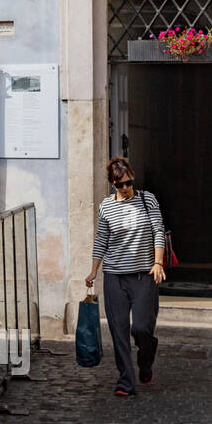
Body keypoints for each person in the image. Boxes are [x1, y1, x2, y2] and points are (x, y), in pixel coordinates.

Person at [85, 157, 167, 397]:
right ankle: (125, 381)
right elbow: (102, 239)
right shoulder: (106, 206)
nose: (126, 188)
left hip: (144, 275)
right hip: (114, 276)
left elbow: (158, 231)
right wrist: (94, 270)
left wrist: (158, 262)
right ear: (112, 184)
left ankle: (146, 361)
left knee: (142, 328)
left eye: (129, 182)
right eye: (120, 185)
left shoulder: (147, 199)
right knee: (118, 330)